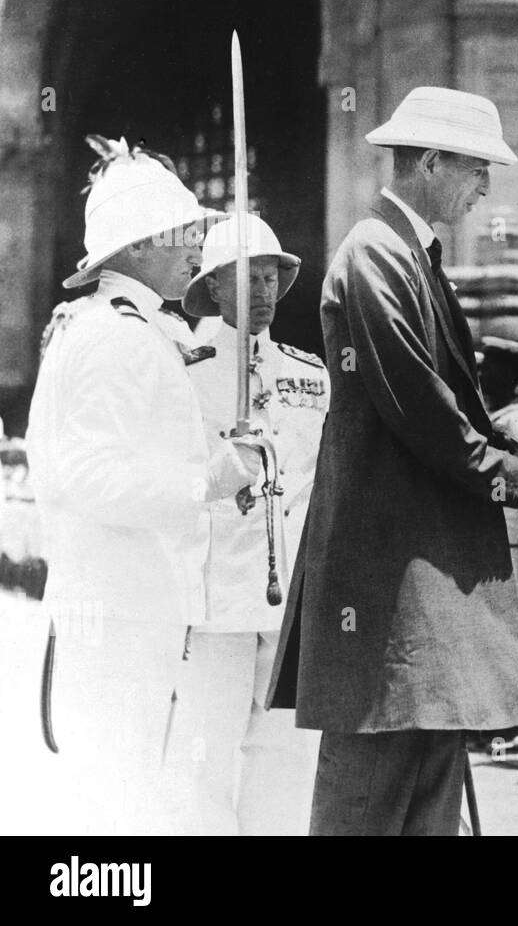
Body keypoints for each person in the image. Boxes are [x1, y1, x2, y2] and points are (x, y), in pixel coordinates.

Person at [266, 87, 518, 836]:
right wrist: (514, 473)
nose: (486, 185)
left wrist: (501, 446)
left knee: (428, 808)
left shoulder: (405, 256)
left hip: (420, 592)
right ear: (431, 161)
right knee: (365, 806)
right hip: (387, 591)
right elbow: (421, 407)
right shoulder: (374, 255)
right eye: (477, 167)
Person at [27, 136, 261, 835]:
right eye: (185, 233)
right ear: (136, 244)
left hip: (130, 609)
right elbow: (95, 478)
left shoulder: (121, 328)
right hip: (119, 617)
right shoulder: (116, 336)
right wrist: (209, 482)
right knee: (115, 808)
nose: (199, 248)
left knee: (126, 804)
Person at [166, 214, 325, 835]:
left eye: (271, 277)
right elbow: (175, 481)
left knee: (285, 751)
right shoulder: (185, 371)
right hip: (215, 592)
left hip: (288, 597)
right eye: (247, 277)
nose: (263, 291)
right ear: (213, 286)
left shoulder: (311, 375)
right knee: (207, 749)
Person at [479, 336, 518, 755]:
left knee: (511, 628)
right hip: (488, 532)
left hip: (512, 535)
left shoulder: (517, 418)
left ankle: (516, 721)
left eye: (494, 371)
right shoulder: (494, 414)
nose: (484, 377)